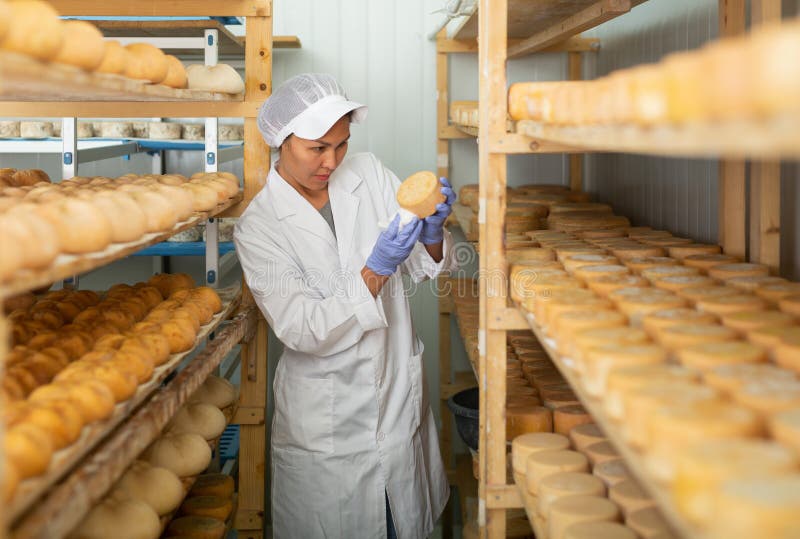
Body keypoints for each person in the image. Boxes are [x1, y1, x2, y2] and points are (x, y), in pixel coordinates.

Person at [233, 73, 457, 539]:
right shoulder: (259, 227)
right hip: (329, 432)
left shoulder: (369, 173)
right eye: (317, 148)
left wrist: (433, 237)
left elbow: (422, 266)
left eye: (341, 145)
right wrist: (374, 269)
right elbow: (302, 328)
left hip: (396, 405)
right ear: (281, 140)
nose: (332, 161)